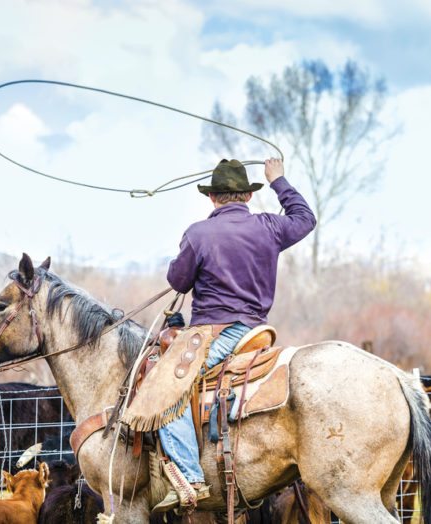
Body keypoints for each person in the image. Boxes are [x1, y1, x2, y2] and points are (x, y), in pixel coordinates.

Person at [154, 157, 316, 512]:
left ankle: (190, 476)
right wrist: (279, 181)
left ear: (212, 197)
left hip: (217, 333)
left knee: (167, 385)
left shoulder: (198, 234)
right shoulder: (268, 226)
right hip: (258, 332)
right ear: (246, 195)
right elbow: (305, 219)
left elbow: (177, 281)